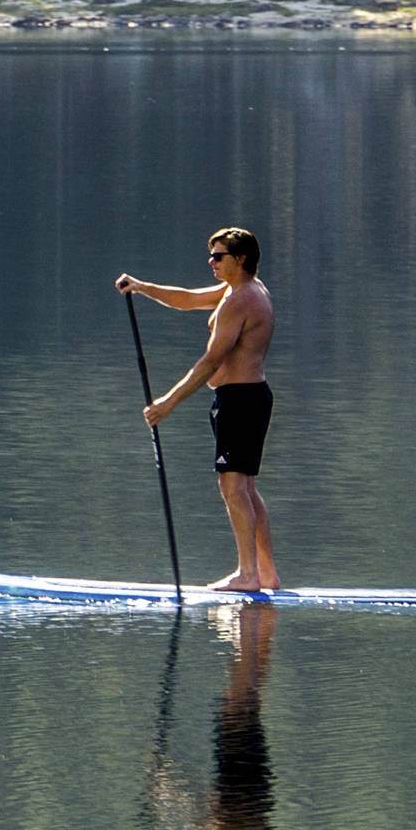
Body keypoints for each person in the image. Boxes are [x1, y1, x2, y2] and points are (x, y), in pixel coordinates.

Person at [116, 227, 280, 591]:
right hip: (246, 398)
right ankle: (265, 574)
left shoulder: (242, 299)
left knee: (233, 486)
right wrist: (142, 287)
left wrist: (167, 403)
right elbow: (187, 299)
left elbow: (209, 362)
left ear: (240, 259)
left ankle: (248, 575)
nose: (211, 262)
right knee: (245, 488)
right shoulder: (240, 289)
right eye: (211, 255)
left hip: (240, 400)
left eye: (219, 256)